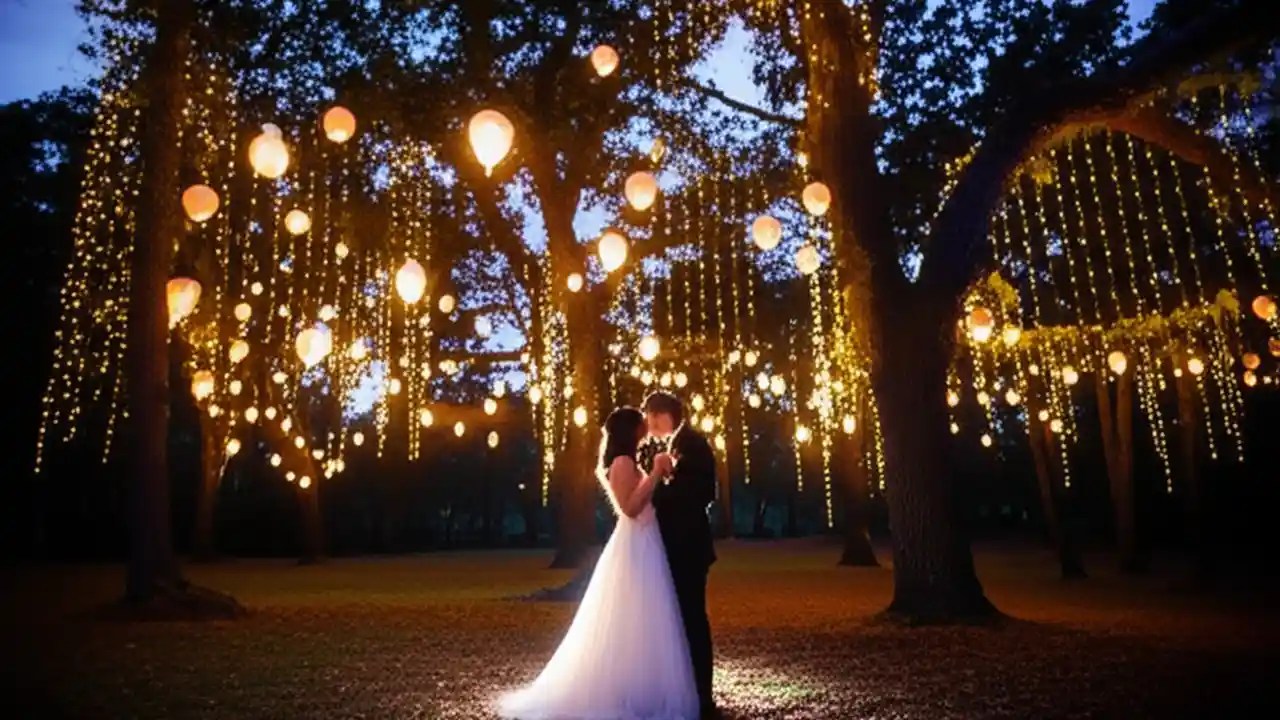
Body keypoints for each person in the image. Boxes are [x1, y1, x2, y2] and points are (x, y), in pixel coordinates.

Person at [497, 406, 699, 720]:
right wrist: (657, 473)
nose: (646, 425)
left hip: (647, 541)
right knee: (636, 615)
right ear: (629, 430)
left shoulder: (628, 460)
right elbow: (630, 507)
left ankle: (644, 686)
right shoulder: (621, 463)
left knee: (647, 615)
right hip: (636, 544)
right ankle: (629, 691)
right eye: (640, 422)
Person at [643, 391, 717, 717]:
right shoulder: (679, 444)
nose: (649, 426)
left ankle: (702, 695)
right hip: (682, 547)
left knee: (692, 618)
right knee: (684, 619)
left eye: (650, 418)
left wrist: (659, 488)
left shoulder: (693, 444)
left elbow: (698, 494)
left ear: (662, 415)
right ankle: (691, 691)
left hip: (689, 547)